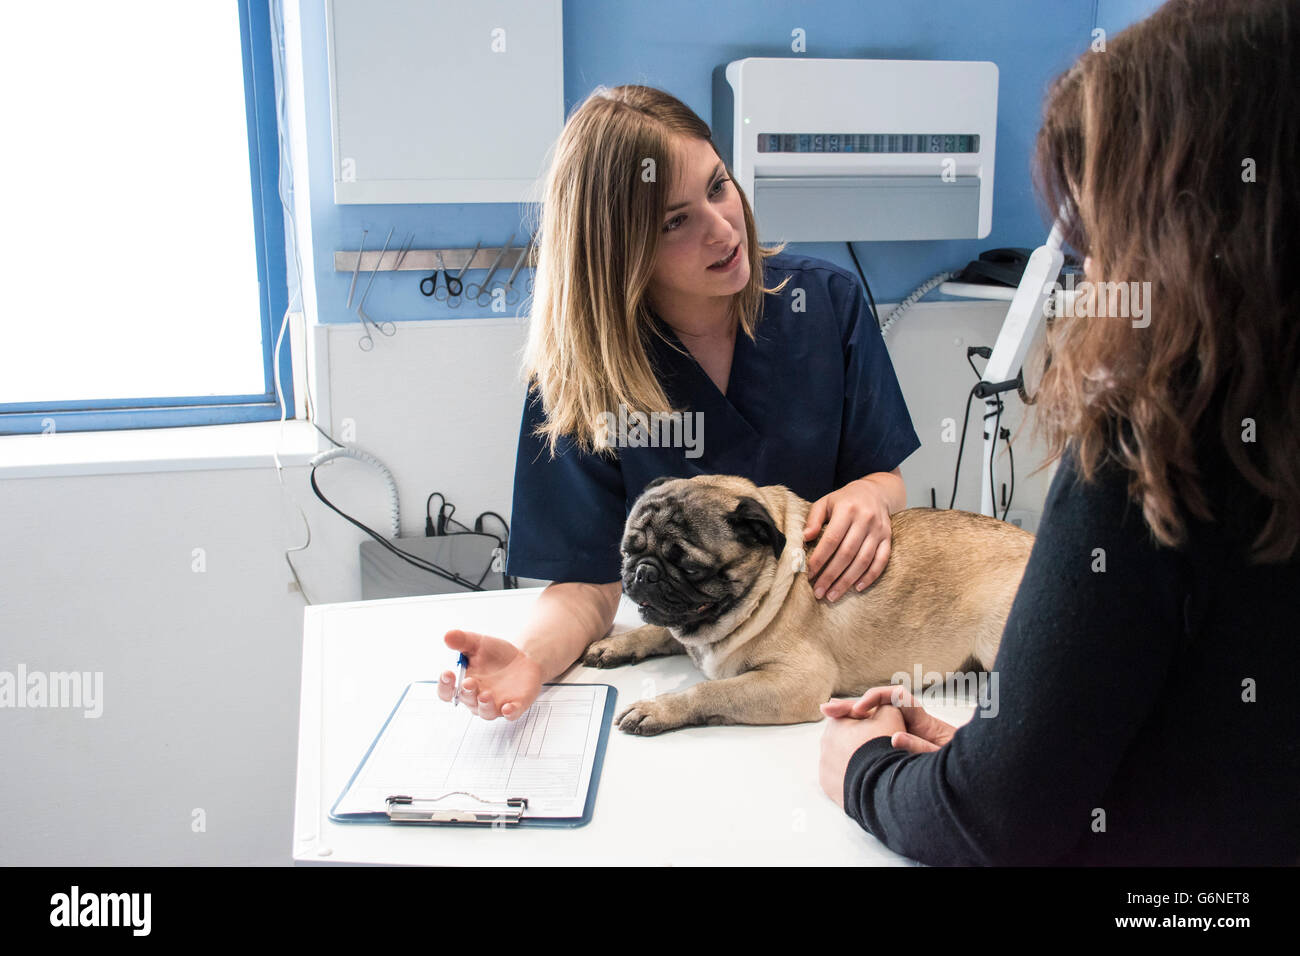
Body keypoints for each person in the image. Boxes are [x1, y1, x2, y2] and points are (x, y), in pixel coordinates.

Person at [818, 0, 1300, 865]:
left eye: (1095, 235)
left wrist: (866, 769)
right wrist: (1008, 753)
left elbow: (995, 824)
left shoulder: (1160, 441)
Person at [437, 85, 921, 720]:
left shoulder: (825, 303)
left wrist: (873, 497)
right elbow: (586, 585)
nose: (724, 230)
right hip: (697, 667)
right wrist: (529, 658)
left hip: (843, 679)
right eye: (675, 221)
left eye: (718, 187)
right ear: (616, 251)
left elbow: (882, 475)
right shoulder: (584, 376)